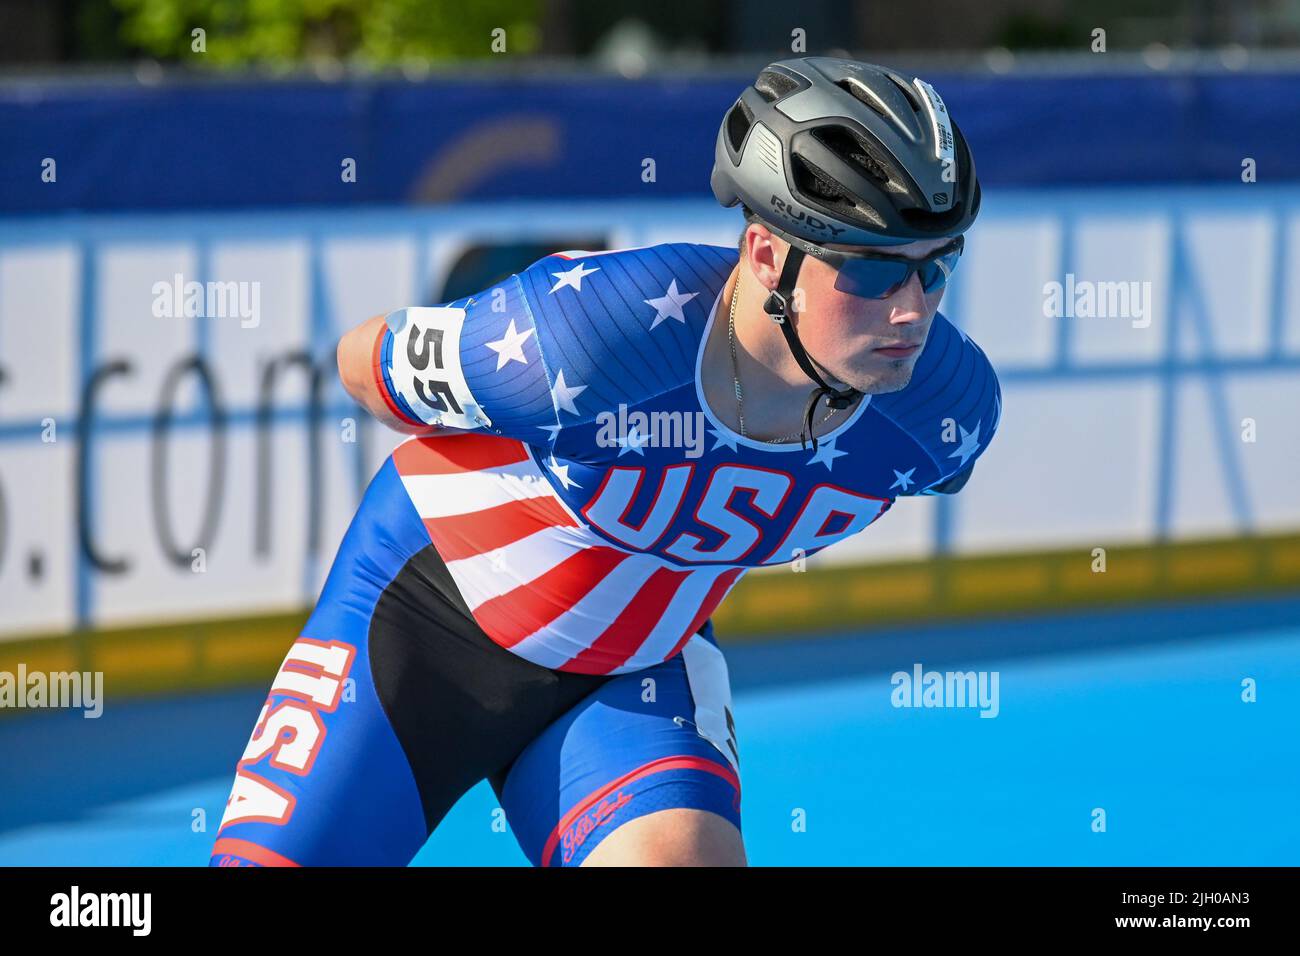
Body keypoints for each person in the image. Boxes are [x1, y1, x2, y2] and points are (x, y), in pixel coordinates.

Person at [209, 55, 999, 868]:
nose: (911, 309)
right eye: (870, 268)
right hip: (422, 623)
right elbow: (358, 363)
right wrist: (477, 372)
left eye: (936, 265)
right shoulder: (585, 343)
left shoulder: (941, 413)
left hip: (635, 666)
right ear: (766, 257)